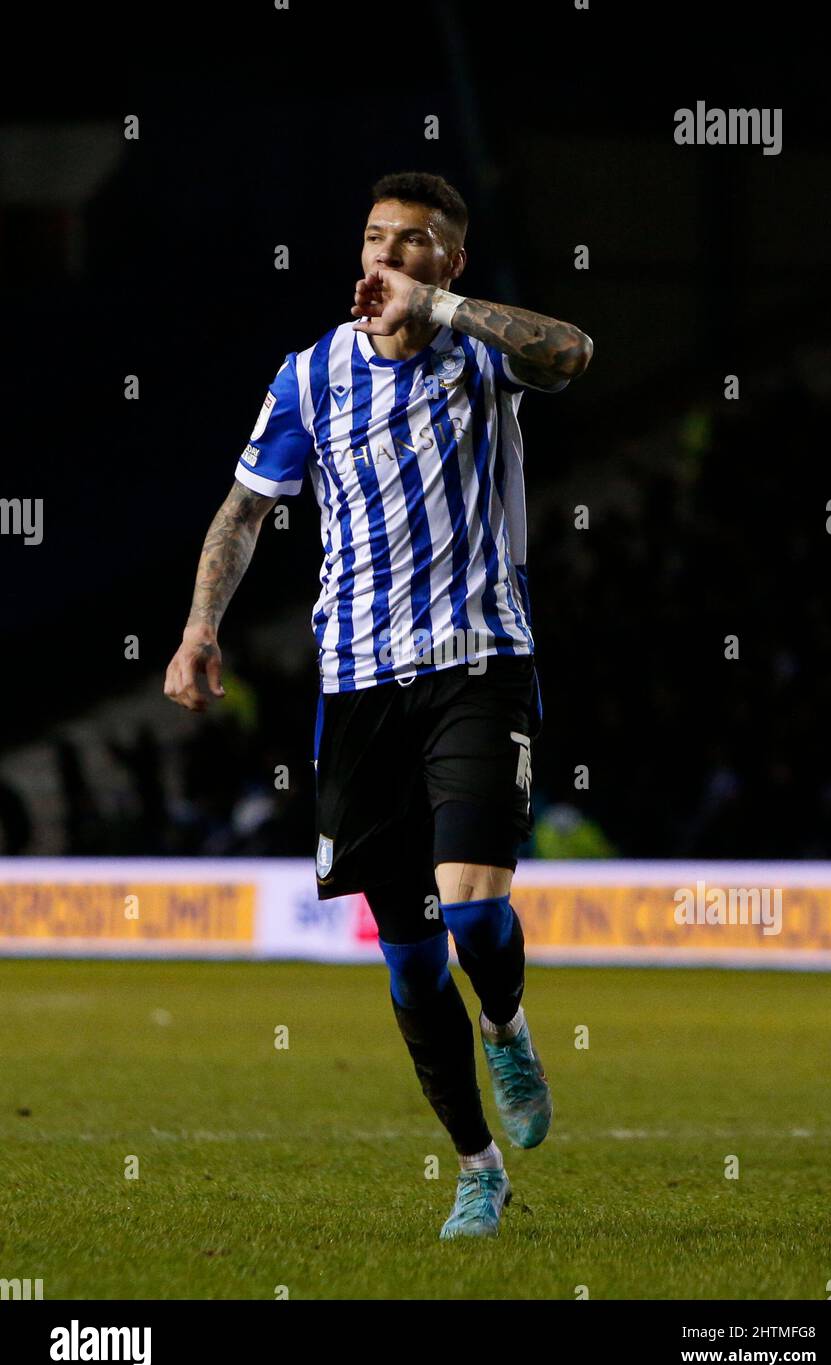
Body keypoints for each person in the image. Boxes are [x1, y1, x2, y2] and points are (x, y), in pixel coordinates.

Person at [164, 170, 593, 1238]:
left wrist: (442, 311)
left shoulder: (481, 352)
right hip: (356, 689)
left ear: (448, 261)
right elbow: (245, 509)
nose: (386, 257)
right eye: (372, 239)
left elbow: (572, 353)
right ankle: (476, 1166)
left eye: (413, 243)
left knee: (477, 905)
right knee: (406, 965)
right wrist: (199, 625)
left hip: (476, 662)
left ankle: (504, 1020)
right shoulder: (309, 377)